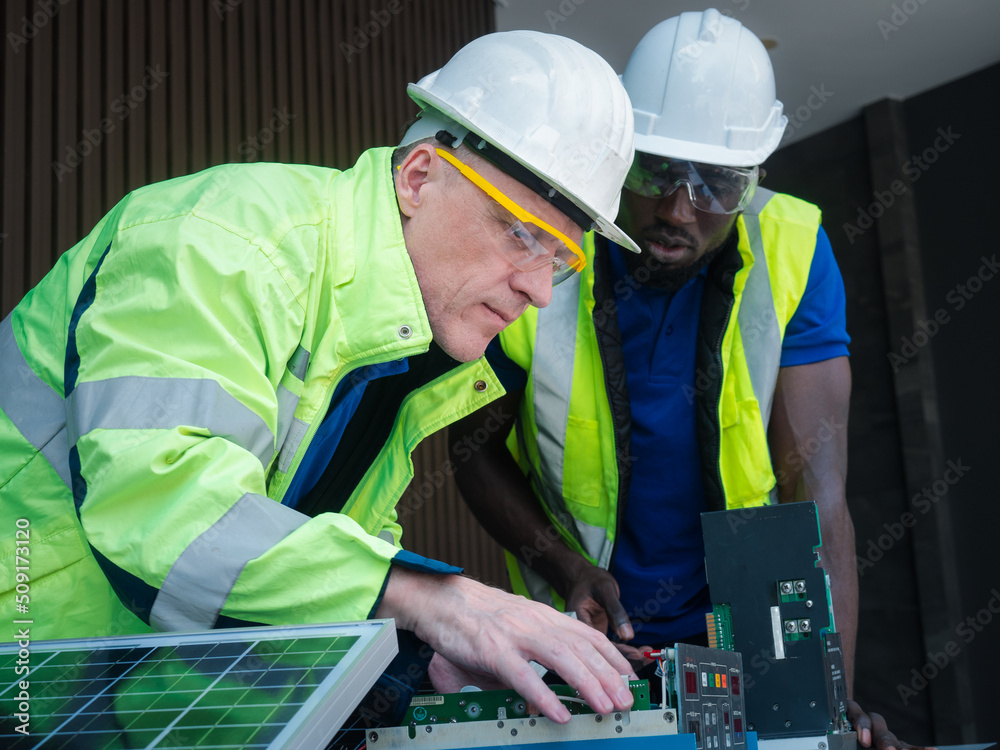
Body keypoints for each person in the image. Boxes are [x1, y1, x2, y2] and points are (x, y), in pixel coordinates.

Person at [0, 30, 643, 724]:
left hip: (115, 703)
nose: (540, 291)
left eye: (561, 257)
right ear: (418, 176)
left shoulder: (404, 353)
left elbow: (294, 572)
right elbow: (162, 507)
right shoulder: (223, 242)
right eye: (521, 233)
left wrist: (413, 650)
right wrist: (435, 600)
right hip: (25, 667)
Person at [449, 8, 873, 733]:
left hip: (747, 629)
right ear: (623, 149)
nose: (680, 208)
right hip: (584, 631)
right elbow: (470, 445)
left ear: (753, 179)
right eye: (657, 170)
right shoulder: (549, 237)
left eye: (717, 185)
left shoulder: (795, 249)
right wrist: (566, 568)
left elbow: (819, 495)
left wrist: (824, 700)